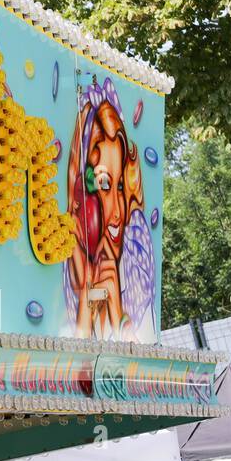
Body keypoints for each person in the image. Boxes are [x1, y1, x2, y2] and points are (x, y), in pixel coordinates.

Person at [63, 77, 153, 339]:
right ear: (82, 194)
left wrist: (118, 315)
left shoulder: (138, 283)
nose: (116, 213)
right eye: (103, 184)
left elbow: (139, 371)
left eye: (121, 187)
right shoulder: (65, 277)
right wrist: (85, 311)